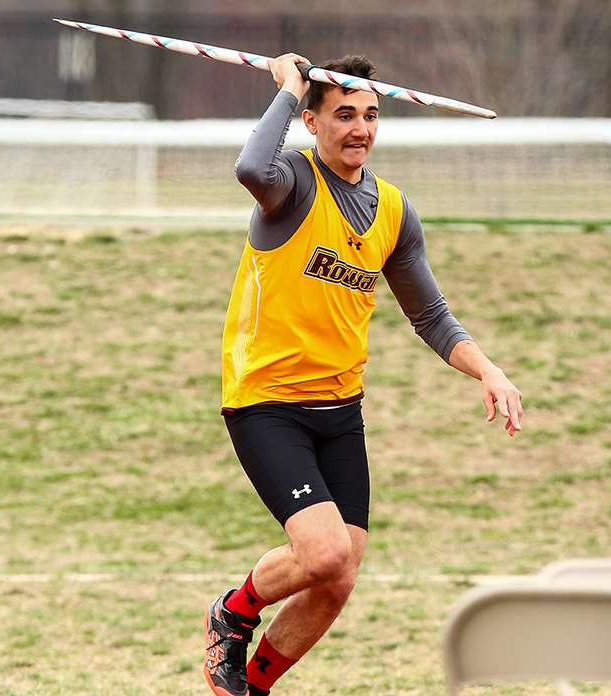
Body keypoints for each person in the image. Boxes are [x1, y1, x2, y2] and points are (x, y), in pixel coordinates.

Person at [203, 52, 523, 696]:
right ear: (313, 122)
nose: (360, 129)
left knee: (338, 576)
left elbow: (430, 316)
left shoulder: (393, 211)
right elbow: (250, 168)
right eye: (344, 114)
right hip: (268, 403)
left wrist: (488, 370)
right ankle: (232, 613)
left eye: (371, 116)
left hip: (340, 411)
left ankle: (254, 688)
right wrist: (289, 89)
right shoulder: (291, 182)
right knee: (323, 552)